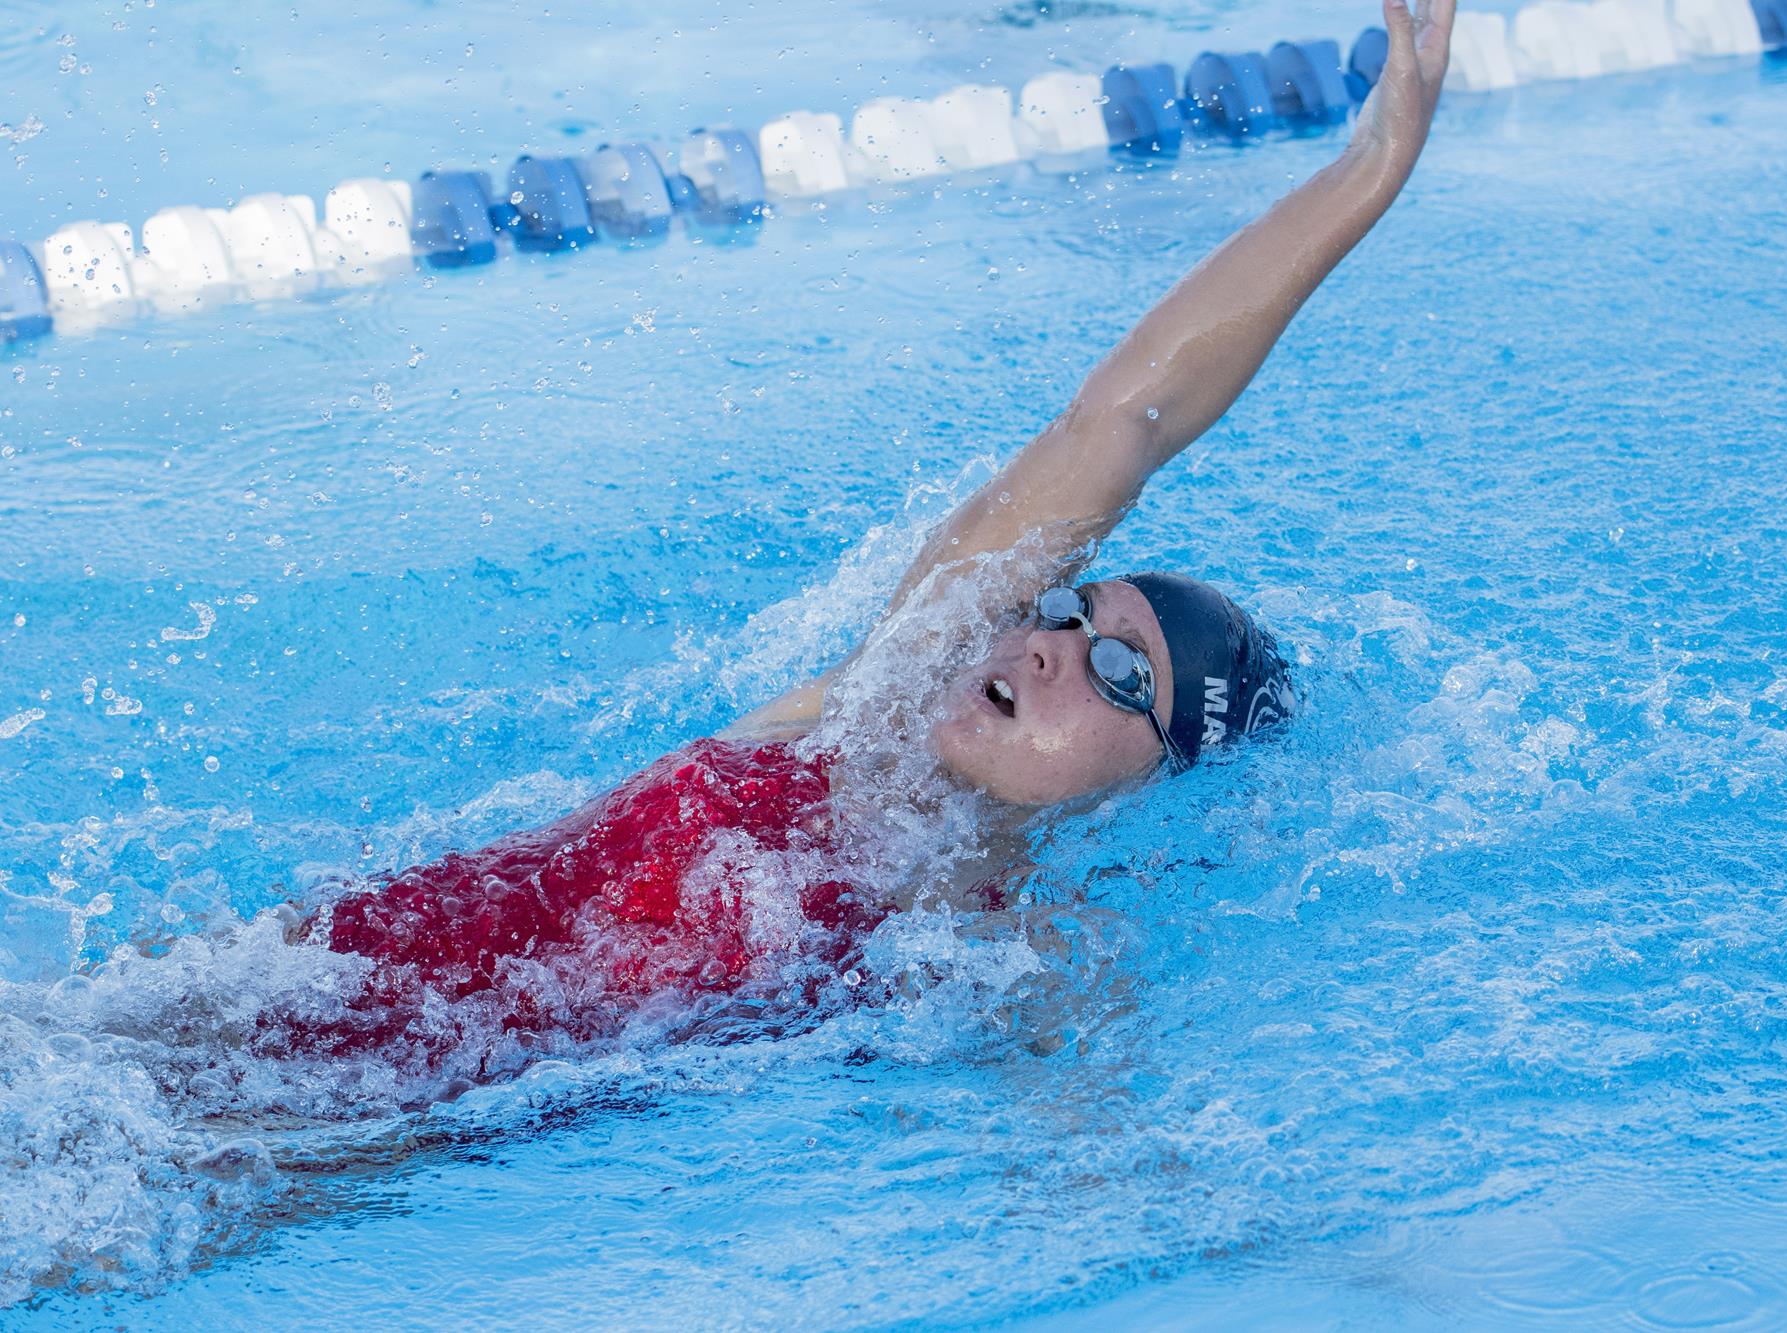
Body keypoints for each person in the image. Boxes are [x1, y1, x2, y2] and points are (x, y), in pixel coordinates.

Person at [303, 0, 1458, 1060]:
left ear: (1153, 783)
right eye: (1070, 610)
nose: (1051, 642)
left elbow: (1097, 1163)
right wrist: (1369, 167)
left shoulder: (1003, 940)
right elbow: (1126, 418)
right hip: (325, 954)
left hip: (405, 1101)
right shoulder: (874, 702)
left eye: (1117, 672)